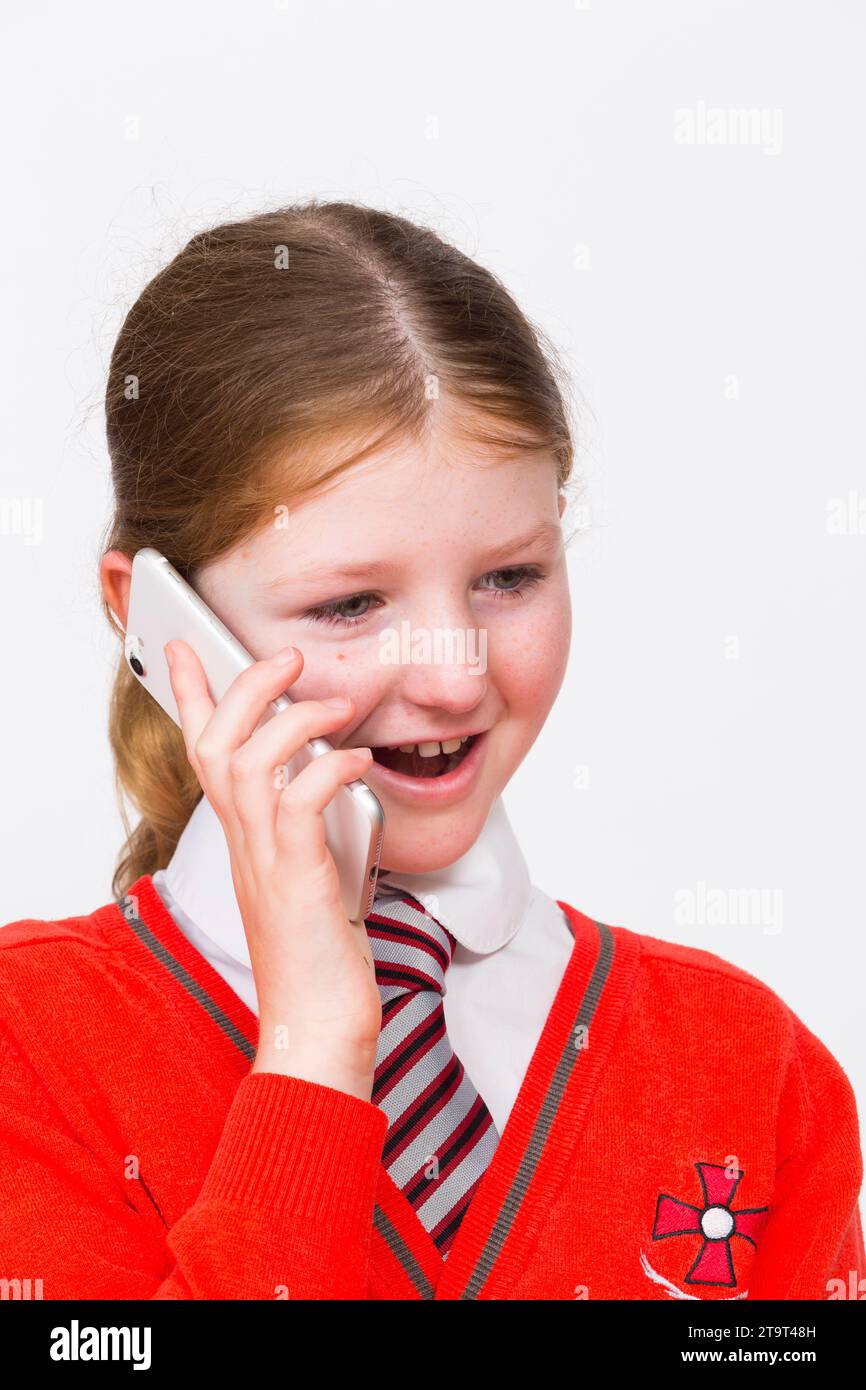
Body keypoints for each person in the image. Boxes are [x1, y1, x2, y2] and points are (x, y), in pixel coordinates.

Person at [0, 201, 862, 1300]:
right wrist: (314, 1046)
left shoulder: (746, 1063)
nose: (454, 674)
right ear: (155, 619)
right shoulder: (29, 1050)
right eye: (351, 601)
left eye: (508, 578)